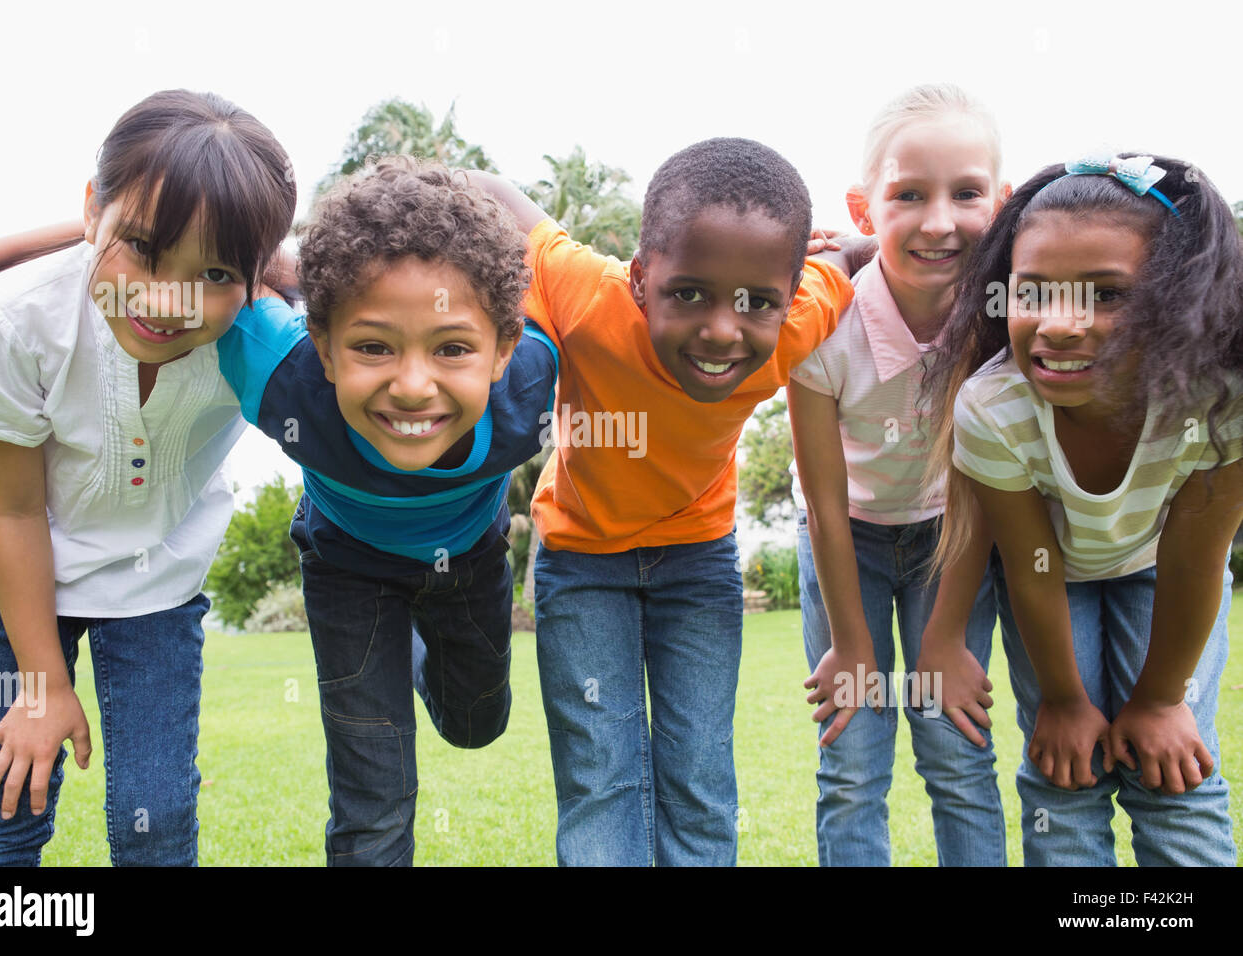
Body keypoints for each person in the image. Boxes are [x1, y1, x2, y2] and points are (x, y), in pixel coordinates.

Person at [469, 138, 863, 865]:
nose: (722, 329)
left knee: (700, 776)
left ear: (786, 298)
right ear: (642, 279)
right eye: (689, 293)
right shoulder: (588, 296)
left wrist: (865, 243)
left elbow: (845, 263)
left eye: (756, 303)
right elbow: (492, 191)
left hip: (697, 564)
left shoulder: (799, 322)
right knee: (598, 775)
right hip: (582, 562)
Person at [0, 89, 295, 866]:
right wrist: (41, 685)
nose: (163, 301)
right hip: (14, 570)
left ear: (254, 274)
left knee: (156, 817)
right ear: (89, 212)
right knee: (7, 804)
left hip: (154, 581)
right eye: (141, 248)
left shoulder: (266, 336)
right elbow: (11, 510)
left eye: (209, 271)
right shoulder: (17, 318)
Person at [217, 155, 557, 866]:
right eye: (372, 346)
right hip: (349, 569)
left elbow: (607, 297)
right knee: (372, 801)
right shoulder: (285, 381)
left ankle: (413, 652)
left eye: (453, 348)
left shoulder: (532, 387)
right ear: (323, 348)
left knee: (475, 723)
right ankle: (383, 653)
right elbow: (178, 253)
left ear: (502, 353)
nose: (411, 386)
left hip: (467, 562)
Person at [925, 151, 1243, 865]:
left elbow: (1195, 560)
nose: (1060, 326)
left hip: (1162, 570)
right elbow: (1032, 564)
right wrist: (1064, 702)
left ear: (1181, 299)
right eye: (1033, 293)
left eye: (1107, 295)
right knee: (1065, 769)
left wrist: (1162, 700)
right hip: (1055, 576)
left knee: (1172, 769)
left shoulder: (1219, 402)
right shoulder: (995, 408)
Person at [790, 84, 1010, 866]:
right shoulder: (825, 319)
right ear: (863, 209)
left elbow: (986, 487)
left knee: (955, 746)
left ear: (1002, 201)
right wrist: (852, 644)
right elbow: (819, 501)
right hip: (844, 535)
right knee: (852, 759)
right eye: (908, 194)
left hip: (952, 536)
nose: (940, 220)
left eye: (967, 193)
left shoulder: (1005, 321)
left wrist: (946, 638)